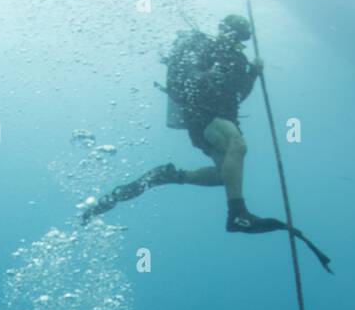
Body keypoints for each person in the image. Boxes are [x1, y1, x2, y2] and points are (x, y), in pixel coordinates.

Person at [81, 14, 288, 235]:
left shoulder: (237, 60)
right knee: (237, 146)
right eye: (235, 37)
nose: (237, 43)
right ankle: (237, 214)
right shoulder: (203, 45)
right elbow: (189, 74)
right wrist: (207, 76)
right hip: (203, 114)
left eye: (241, 40)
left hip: (220, 118)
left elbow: (238, 95)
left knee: (223, 175)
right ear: (224, 30)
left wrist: (253, 74)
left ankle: (171, 176)